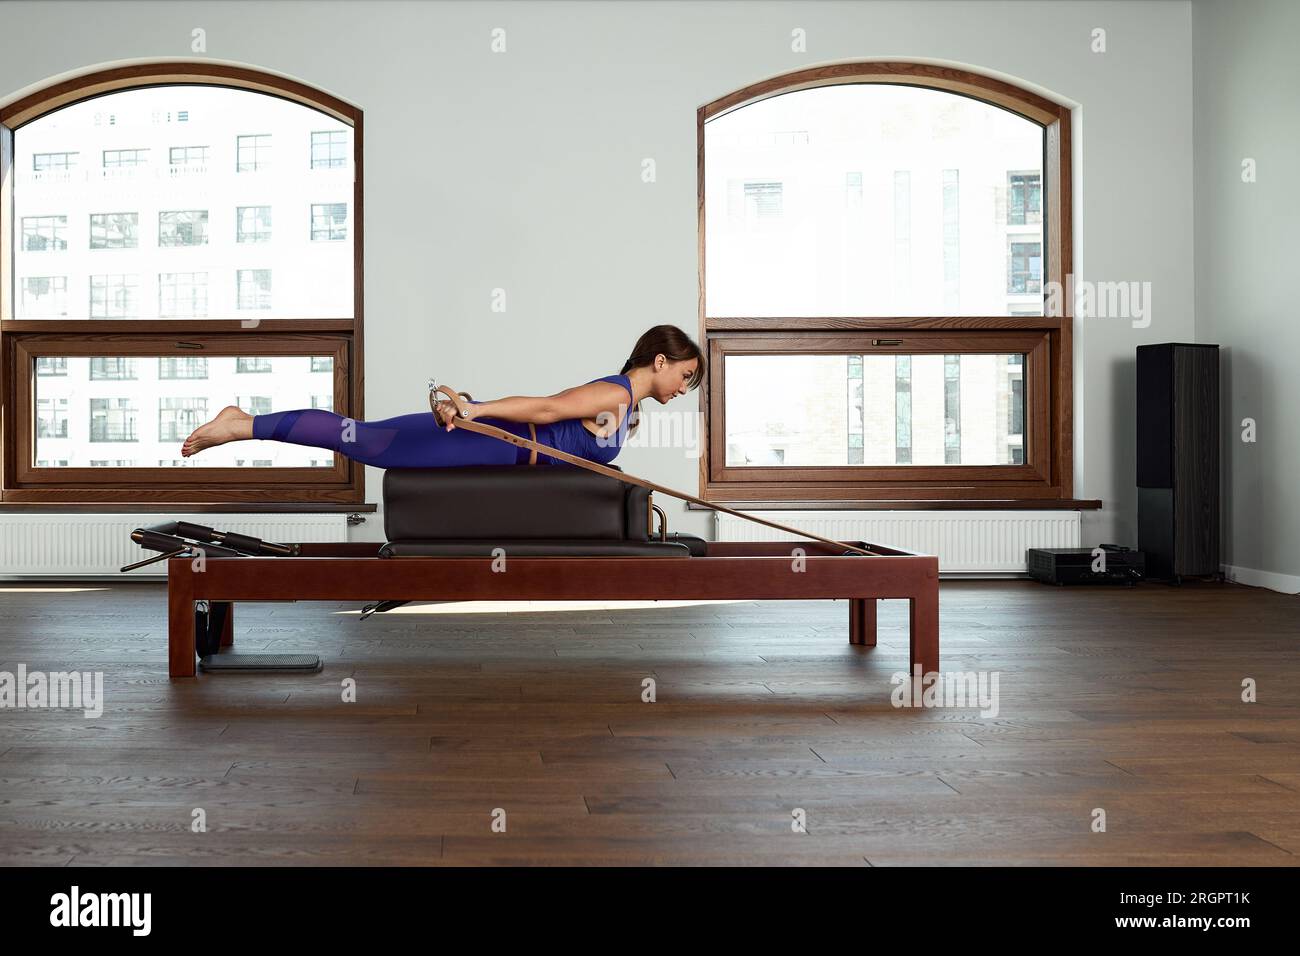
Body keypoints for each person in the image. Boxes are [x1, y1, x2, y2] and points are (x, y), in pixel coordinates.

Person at [181, 324, 704, 468]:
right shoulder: (615, 392)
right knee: (364, 442)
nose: (684, 388)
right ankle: (242, 424)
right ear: (660, 361)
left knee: (365, 442)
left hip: (495, 450)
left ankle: (245, 423)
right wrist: (476, 410)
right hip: (487, 444)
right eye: (685, 375)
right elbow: (547, 409)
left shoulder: (624, 405)